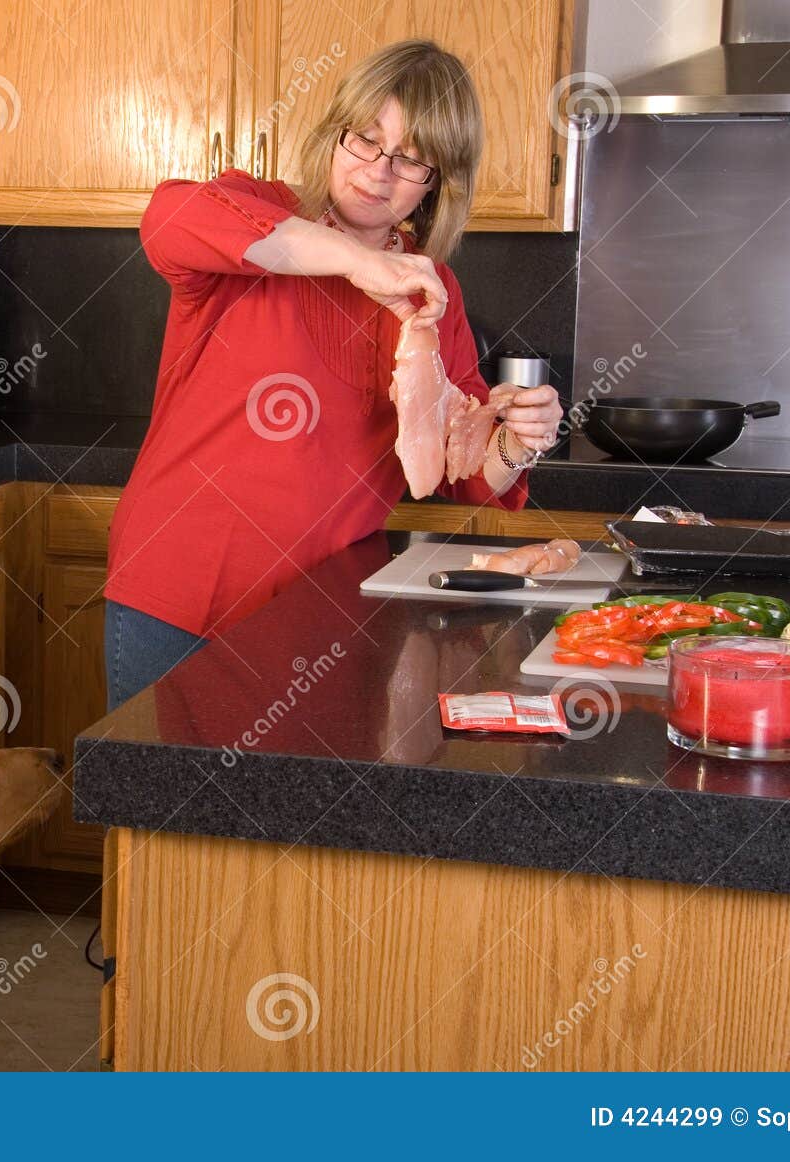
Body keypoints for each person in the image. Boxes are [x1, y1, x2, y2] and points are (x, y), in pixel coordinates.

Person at [104, 40, 563, 711]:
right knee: (154, 814)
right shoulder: (257, 211)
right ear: (333, 134)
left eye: (410, 159)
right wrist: (355, 261)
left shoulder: (430, 292)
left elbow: (459, 473)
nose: (378, 171)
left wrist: (517, 439)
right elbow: (169, 219)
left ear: (438, 182)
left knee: (287, 813)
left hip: (317, 620)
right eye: (365, 139)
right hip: (175, 601)